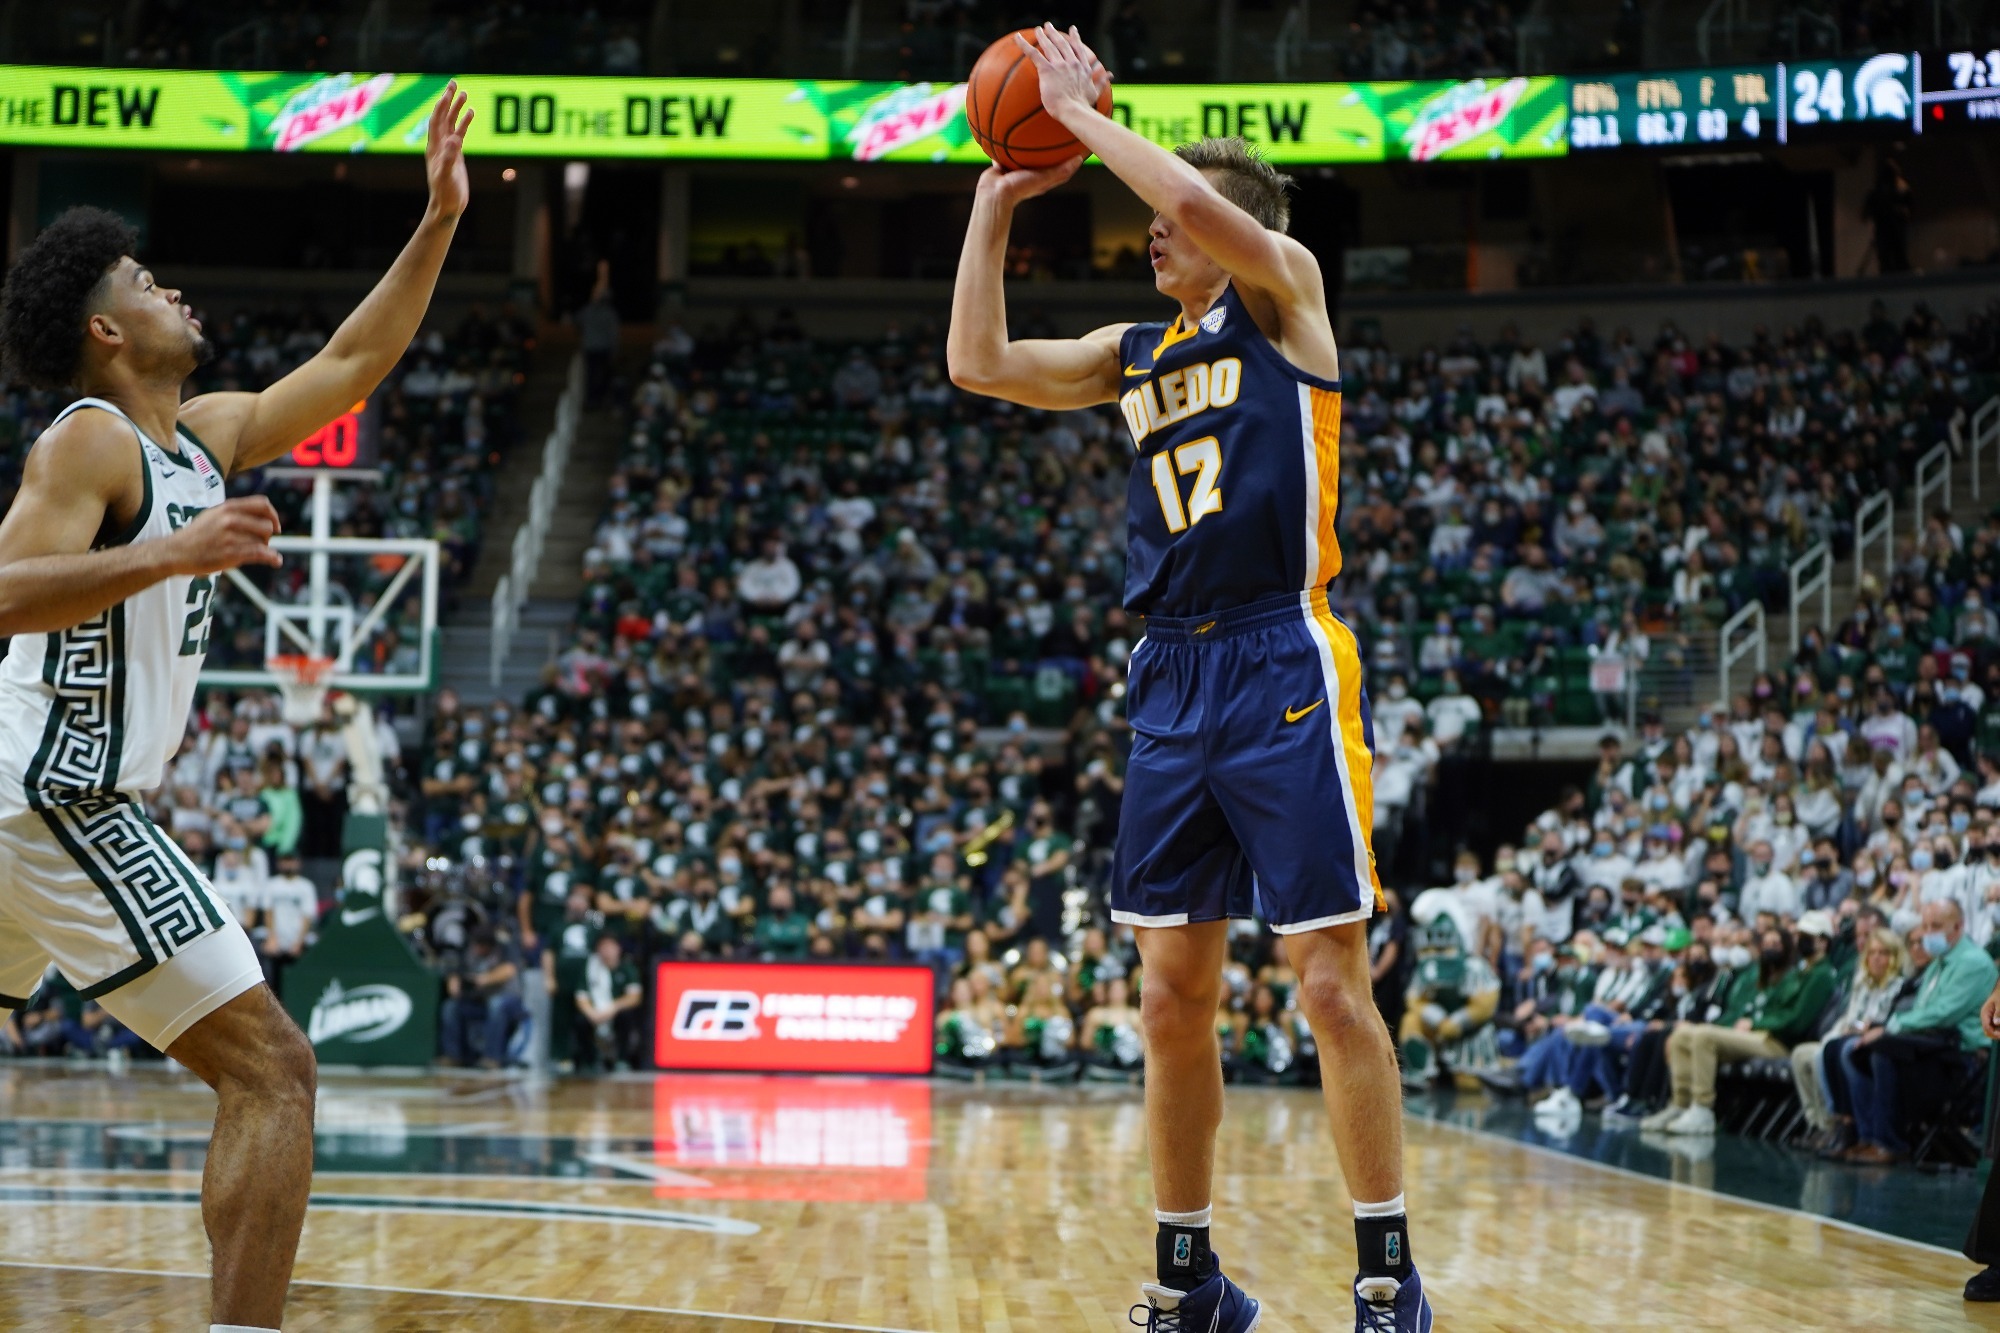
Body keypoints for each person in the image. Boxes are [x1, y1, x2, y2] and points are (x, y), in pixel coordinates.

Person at [946, 26, 1426, 1329]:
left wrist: (1078, 115)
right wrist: (995, 203)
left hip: (1282, 652)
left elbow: (1198, 202)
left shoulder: (1288, 298)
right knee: (1170, 991)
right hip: (1171, 676)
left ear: (1233, 228)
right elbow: (978, 363)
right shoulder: (1134, 352)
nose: (1149, 238)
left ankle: (1387, 1271)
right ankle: (1189, 1277)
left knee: (1330, 980)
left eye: (1167, 223)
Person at [0, 84, 473, 1333]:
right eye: (149, 279)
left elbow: (354, 360)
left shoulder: (200, 440)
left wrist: (434, 220)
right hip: (51, 790)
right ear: (106, 328)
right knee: (275, 1070)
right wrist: (171, 554)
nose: (177, 291)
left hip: (32, 800)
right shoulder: (87, 443)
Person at [1837, 900, 1994, 1164]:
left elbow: (1943, 1013)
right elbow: (1924, 1010)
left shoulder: (1973, 963)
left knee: (1883, 1052)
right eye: (1926, 926)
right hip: (1933, 1042)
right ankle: (1867, 1136)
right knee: (1859, 1051)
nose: (1929, 933)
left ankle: (1889, 1143)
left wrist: (1891, 1027)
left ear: (1958, 927)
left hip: (1963, 1055)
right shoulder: (1937, 963)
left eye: (1936, 926)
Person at [1793, 926, 1908, 1152]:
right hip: (1854, 1035)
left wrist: (1860, 1029)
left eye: (1883, 953)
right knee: (1827, 1048)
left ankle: (1853, 1127)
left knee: (1844, 1050)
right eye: (1872, 953)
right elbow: (1851, 1018)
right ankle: (1826, 1124)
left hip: (1879, 1040)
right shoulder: (1862, 984)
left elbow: (1884, 1021)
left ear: (1894, 957)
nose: (1876, 958)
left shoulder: (1898, 985)